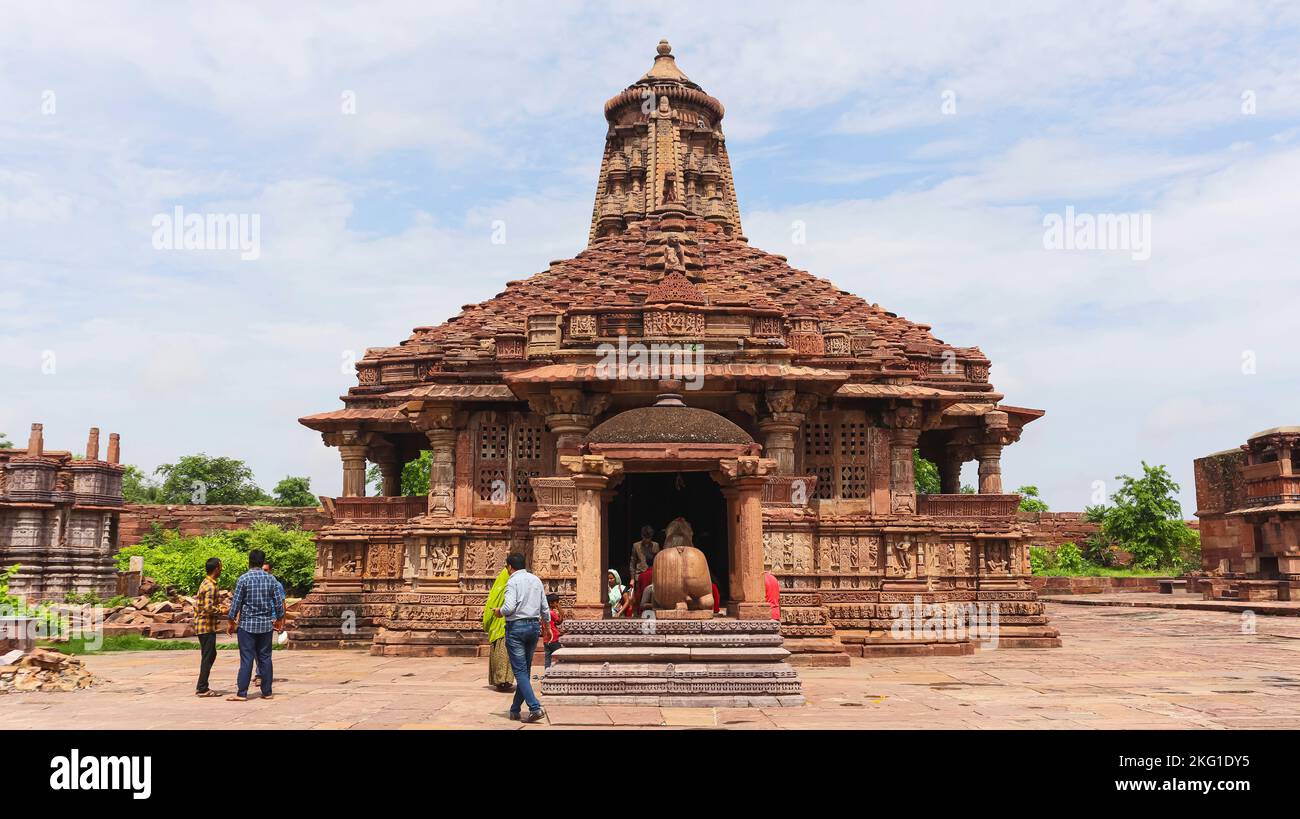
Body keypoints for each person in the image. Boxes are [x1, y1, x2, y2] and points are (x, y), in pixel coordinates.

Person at [493, 552, 550, 723]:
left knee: (520, 671)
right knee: (524, 670)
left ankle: (534, 707)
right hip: (533, 626)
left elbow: (509, 607)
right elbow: (544, 607)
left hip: (516, 628)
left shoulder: (513, 581)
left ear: (510, 567)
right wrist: (546, 627)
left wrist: (499, 611)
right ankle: (515, 709)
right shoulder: (536, 580)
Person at [225, 549, 285, 702]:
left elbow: (236, 603)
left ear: (249, 562)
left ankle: (242, 693)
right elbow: (278, 603)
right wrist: (280, 619)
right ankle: (267, 691)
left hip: (247, 625)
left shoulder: (243, 579)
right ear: (262, 561)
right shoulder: (271, 580)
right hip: (265, 626)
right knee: (265, 658)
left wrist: (231, 621)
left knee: (246, 659)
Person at [194, 557, 223, 698]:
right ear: (217, 568)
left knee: (210, 654)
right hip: (205, 625)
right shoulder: (210, 586)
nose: (221, 569)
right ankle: (202, 688)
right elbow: (208, 607)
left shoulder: (206, 582)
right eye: (221, 566)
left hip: (205, 625)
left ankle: (202, 685)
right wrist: (223, 610)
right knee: (208, 656)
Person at [482, 563, 514, 692]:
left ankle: (501, 680)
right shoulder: (507, 588)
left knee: (501, 654)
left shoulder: (499, 588)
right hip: (504, 624)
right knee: (504, 654)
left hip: (499, 625)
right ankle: (503, 680)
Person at [542, 592, 564, 671]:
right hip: (554, 638)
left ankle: (546, 672)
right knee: (561, 656)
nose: (557, 604)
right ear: (551, 603)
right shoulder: (552, 613)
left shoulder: (544, 612)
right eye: (556, 602)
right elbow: (559, 621)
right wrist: (561, 611)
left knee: (547, 658)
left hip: (546, 639)